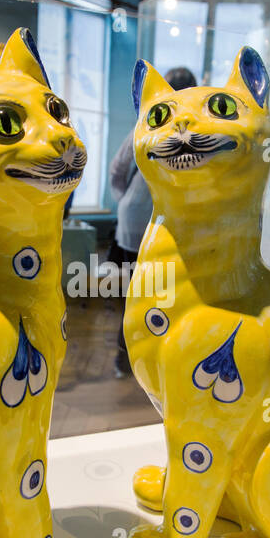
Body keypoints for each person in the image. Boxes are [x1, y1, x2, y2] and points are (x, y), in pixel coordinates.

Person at [107, 65, 196, 376]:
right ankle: (134, 356)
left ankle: (136, 356)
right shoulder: (186, 132)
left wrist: (128, 205)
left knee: (143, 292)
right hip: (153, 226)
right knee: (149, 293)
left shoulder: (143, 129)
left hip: (140, 224)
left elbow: (116, 173)